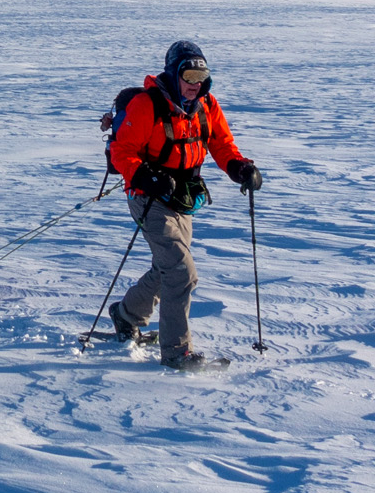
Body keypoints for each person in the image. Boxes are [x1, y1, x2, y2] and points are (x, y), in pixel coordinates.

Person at [106, 40, 264, 367]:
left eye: (201, 76)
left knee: (168, 268)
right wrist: (147, 177)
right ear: (174, 74)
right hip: (146, 196)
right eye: (188, 75)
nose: (195, 84)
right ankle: (177, 353)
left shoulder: (206, 105)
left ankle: (126, 314)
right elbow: (123, 152)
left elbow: (222, 144)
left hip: (182, 195)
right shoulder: (147, 105)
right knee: (181, 270)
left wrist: (240, 168)